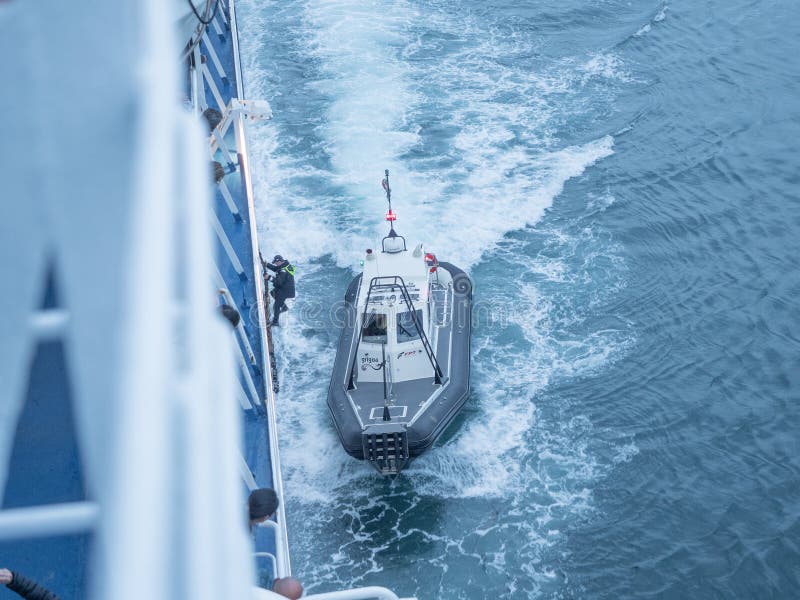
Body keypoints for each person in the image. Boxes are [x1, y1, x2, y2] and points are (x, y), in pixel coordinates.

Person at [266, 255, 296, 326]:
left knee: (276, 305)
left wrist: (269, 277)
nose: (275, 264)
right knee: (272, 292)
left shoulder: (283, 271)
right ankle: (283, 306)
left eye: (275, 263)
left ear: (279, 261)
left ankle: (275, 322)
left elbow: (278, 282)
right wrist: (267, 264)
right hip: (288, 288)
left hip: (286, 291)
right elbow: (276, 268)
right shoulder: (285, 265)